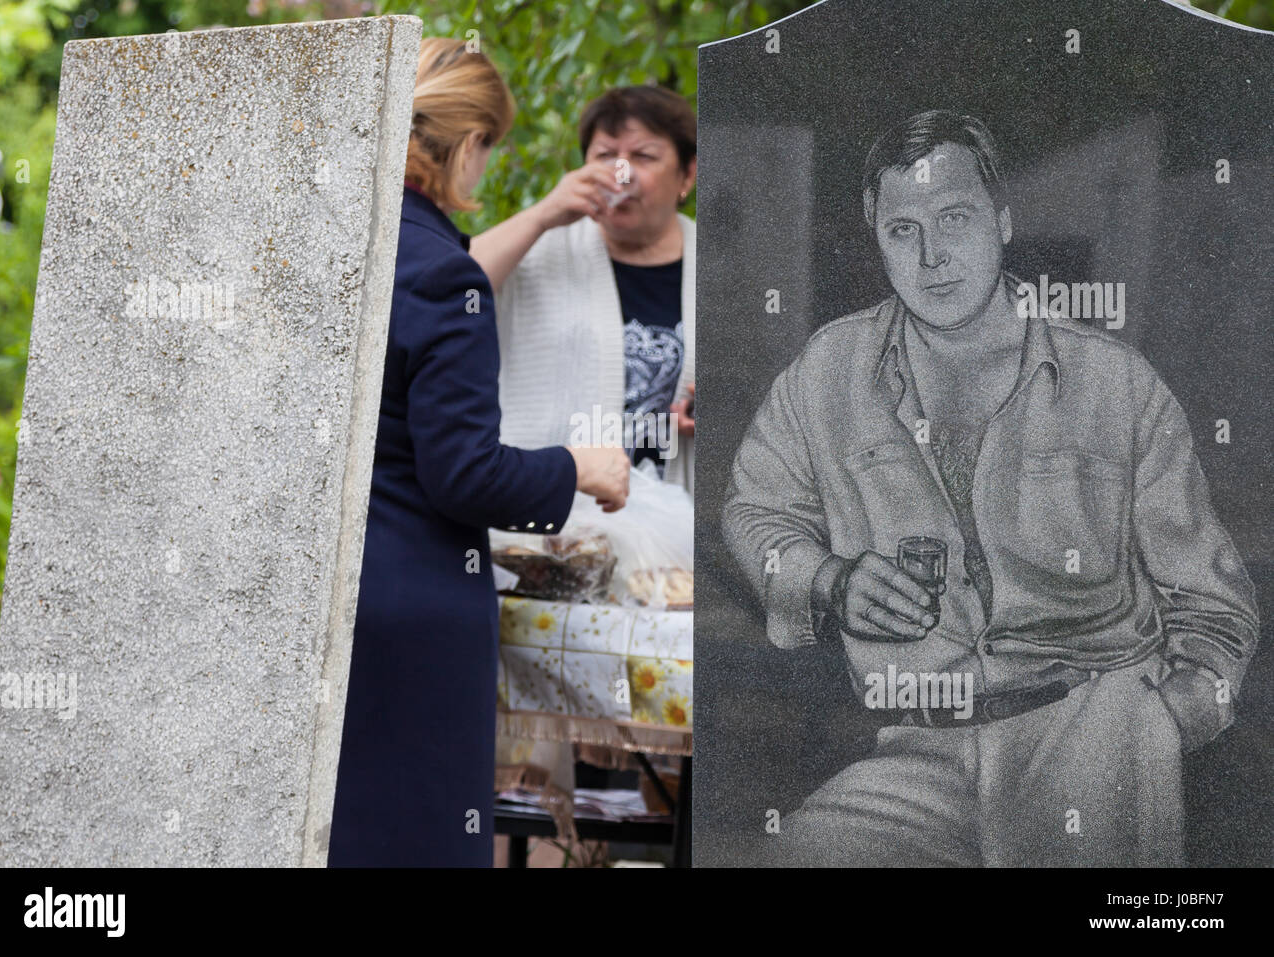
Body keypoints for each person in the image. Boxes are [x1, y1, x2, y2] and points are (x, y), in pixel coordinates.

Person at [721, 110, 1259, 866]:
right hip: (923, 747)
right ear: (876, 234)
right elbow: (754, 512)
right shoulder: (827, 372)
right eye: (903, 230)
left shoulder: (1115, 385)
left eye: (955, 218)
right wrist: (830, 580)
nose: (933, 255)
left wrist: (1167, 723)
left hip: (1091, 733)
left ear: (1003, 222)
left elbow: (1215, 603)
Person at [327, 38, 630, 867]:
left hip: (320, 597)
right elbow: (463, 474)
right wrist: (578, 468)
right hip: (409, 616)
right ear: (465, 145)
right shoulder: (442, 272)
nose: (486, 169)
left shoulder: (333, 250)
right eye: (488, 145)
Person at [469, 86, 697, 492]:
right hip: (552, 524)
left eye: (643, 156)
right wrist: (541, 215)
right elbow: (447, 289)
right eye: (605, 156)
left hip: (677, 528)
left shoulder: (721, 266)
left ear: (688, 174)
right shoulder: (541, 245)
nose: (620, 173)